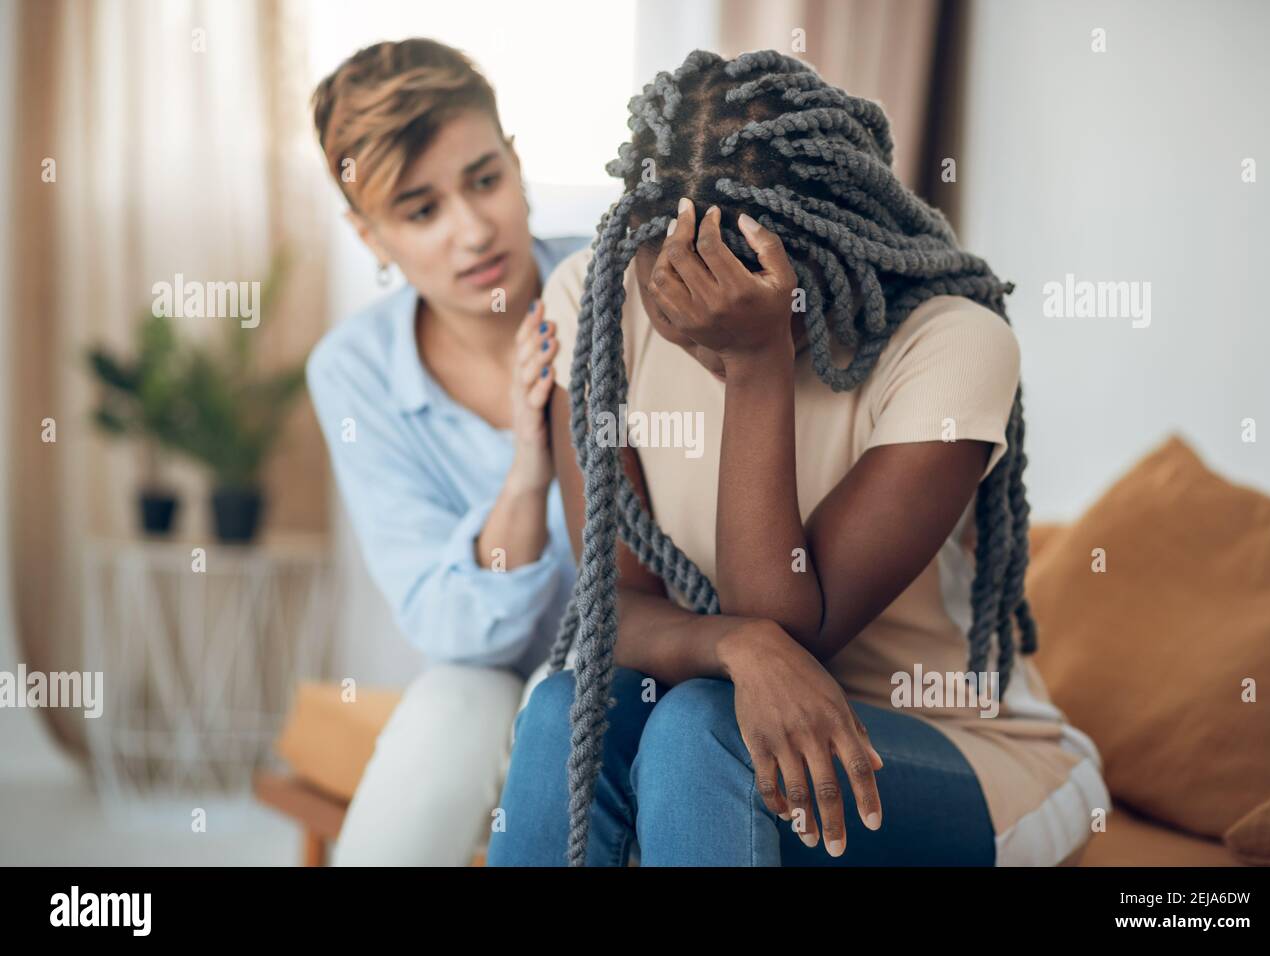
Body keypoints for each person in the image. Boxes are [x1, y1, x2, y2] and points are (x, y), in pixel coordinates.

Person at [488, 49, 1110, 867]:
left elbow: (791, 628)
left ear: (828, 258)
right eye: (672, 291)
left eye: (736, 300)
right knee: (573, 708)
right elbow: (616, 613)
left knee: (702, 730)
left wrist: (757, 365)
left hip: (952, 746)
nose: (698, 321)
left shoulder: (954, 344)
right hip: (717, 704)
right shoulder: (593, 297)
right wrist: (734, 648)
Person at [305, 37, 586, 865]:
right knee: (451, 707)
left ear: (517, 163)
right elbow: (449, 627)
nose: (473, 232)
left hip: (644, 661)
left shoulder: (617, 282)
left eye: (486, 180)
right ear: (371, 238)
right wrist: (525, 482)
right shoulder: (354, 369)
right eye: (422, 211)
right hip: (482, 679)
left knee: (565, 706)